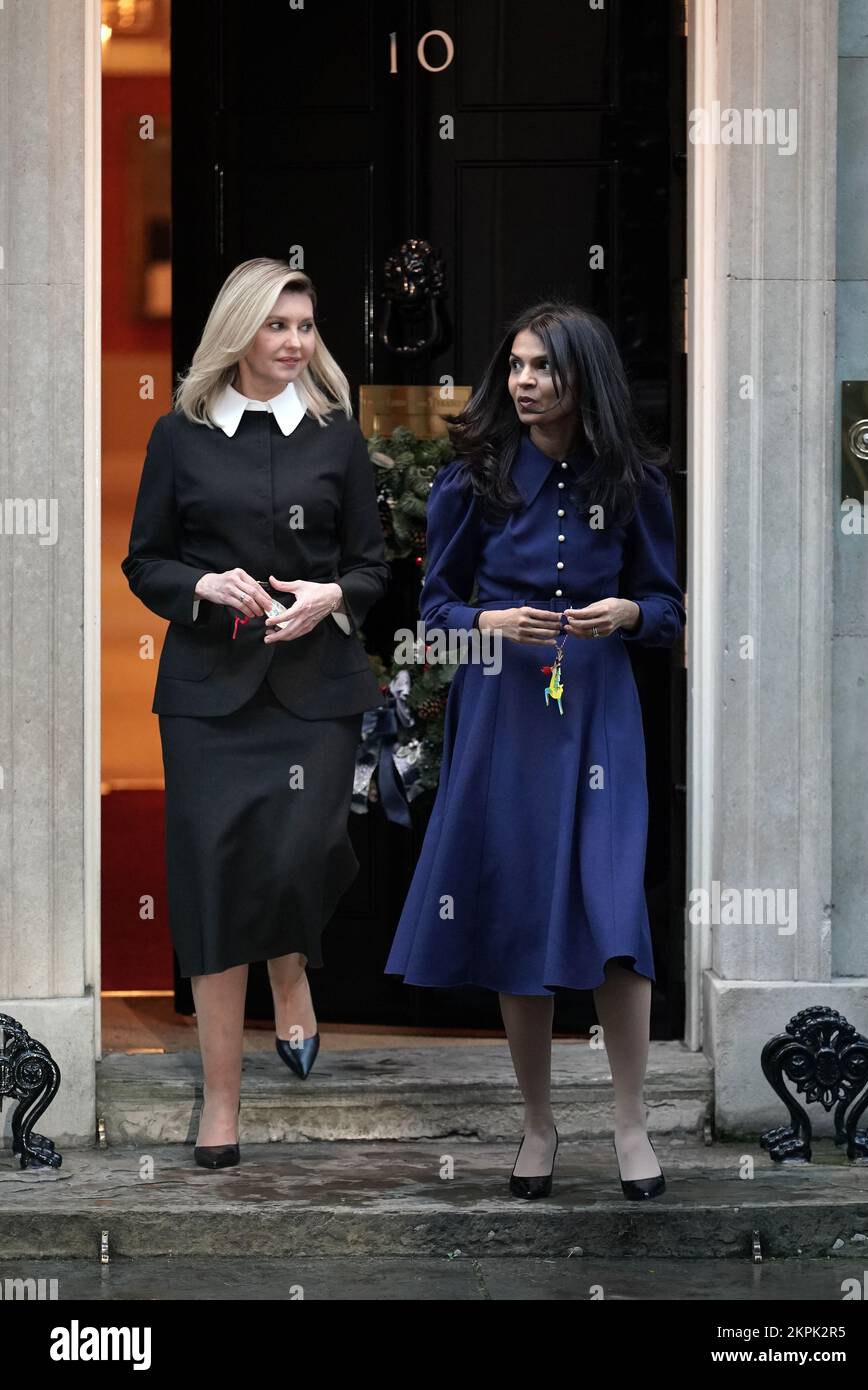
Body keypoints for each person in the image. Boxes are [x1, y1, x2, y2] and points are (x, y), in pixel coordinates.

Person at [385, 302, 685, 1200]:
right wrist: (488, 622)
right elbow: (431, 625)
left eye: (543, 368)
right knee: (520, 909)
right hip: (503, 707)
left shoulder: (633, 479)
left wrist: (629, 613)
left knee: (614, 912)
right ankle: (539, 1126)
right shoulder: (472, 477)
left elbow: (667, 609)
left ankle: (632, 1126)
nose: (523, 381)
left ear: (579, 376)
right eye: (515, 364)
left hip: (598, 708)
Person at [122, 258, 389, 1169]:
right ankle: (222, 1105)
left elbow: (375, 565)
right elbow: (144, 561)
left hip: (315, 691)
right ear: (240, 332)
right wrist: (200, 583)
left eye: (306, 327)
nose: (295, 343)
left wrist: (331, 597)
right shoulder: (179, 438)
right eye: (278, 326)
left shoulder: (336, 436)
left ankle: (290, 969)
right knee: (210, 883)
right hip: (207, 698)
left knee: (301, 851)